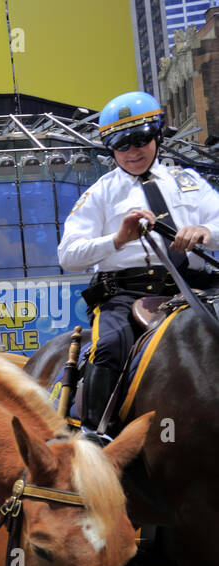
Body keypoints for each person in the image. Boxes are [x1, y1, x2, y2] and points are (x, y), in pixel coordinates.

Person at [58, 89, 219, 438]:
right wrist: (118, 239)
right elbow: (68, 255)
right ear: (110, 149)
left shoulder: (189, 181)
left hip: (196, 286)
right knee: (108, 347)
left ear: (157, 136)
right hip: (125, 294)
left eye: (140, 139)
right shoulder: (99, 194)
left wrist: (206, 231)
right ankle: (95, 438)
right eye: (121, 144)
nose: (132, 151)